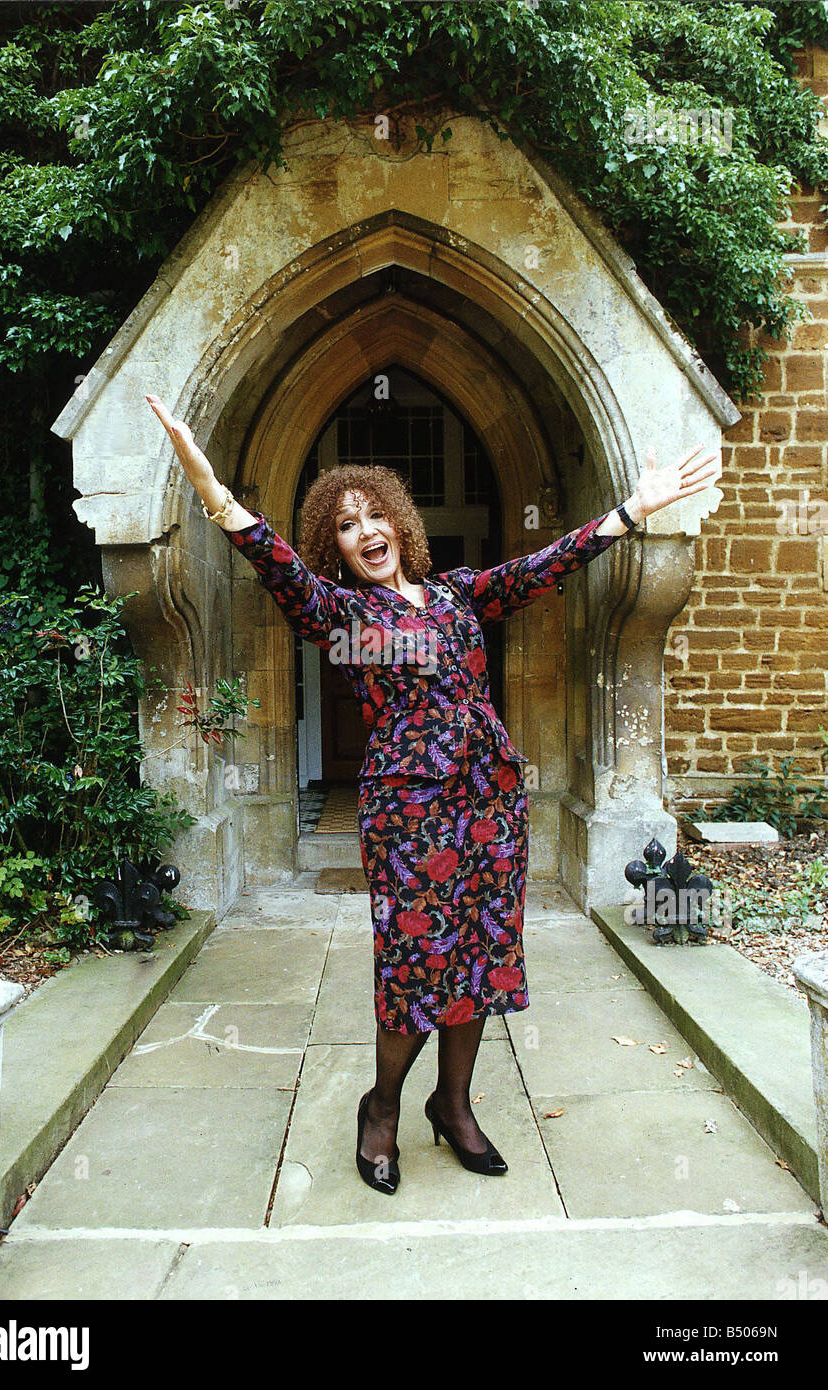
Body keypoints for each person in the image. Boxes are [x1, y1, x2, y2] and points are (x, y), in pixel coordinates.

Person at [146, 393, 719, 1194]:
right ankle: (380, 1108)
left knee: (481, 953)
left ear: (399, 522)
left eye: (373, 514)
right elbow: (273, 565)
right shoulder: (345, 616)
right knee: (417, 963)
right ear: (333, 545)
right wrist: (212, 488)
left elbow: (539, 568)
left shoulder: (456, 595)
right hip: (410, 810)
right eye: (345, 525)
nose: (364, 532)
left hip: (489, 798)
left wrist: (628, 513)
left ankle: (452, 1106)